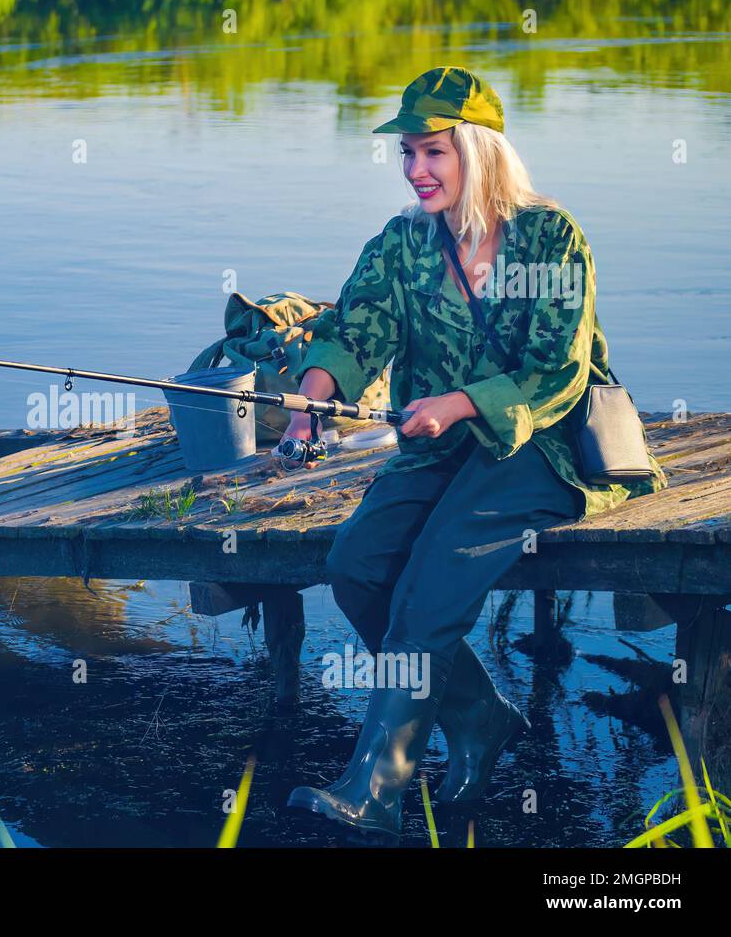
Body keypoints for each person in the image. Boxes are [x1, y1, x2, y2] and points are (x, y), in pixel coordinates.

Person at [282, 66, 667, 841]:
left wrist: (459, 402)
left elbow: (556, 369)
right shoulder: (403, 243)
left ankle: (377, 787)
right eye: (408, 155)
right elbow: (356, 331)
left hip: (542, 446)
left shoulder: (551, 237)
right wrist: (313, 400)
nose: (416, 170)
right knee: (356, 563)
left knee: (431, 583)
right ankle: (483, 717)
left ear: (479, 152)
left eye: (433, 153)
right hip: (437, 450)